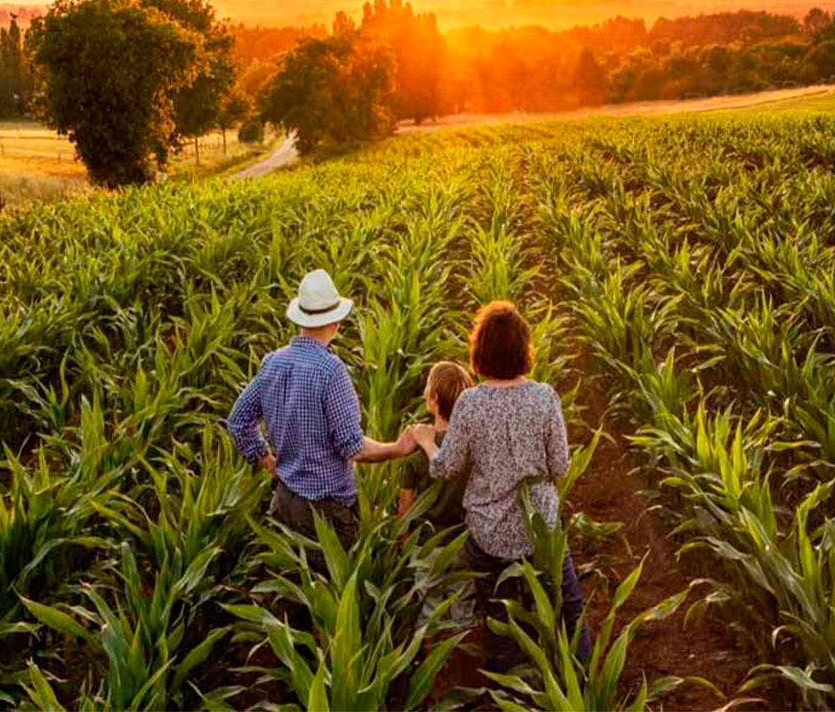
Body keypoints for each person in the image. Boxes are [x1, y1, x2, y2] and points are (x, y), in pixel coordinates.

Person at [411, 301, 592, 673]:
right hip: (540, 530)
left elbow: (446, 468)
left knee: (498, 618)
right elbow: (560, 465)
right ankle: (582, 683)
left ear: (480, 353)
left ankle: (507, 688)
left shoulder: (471, 403)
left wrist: (428, 442)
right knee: (569, 607)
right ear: (524, 349)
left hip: (489, 535)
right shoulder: (544, 397)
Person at [228, 269, 415, 550]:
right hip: (326, 513)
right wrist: (397, 448)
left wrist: (268, 461)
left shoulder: (272, 362)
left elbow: (237, 421)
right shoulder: (331, 371)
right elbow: (353, 447)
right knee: (332, 588)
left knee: (293, 585)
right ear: (336, 322)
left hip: (284, 501)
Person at [398, 361, 476, 627]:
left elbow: (405, 510)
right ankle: (460, 659)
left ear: (432, 399)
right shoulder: (471, 448)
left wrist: (406, 546)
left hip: (427, 546)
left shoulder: (416, 456)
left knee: (428, 609)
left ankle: (433, 663)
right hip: (464, 542)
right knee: (463, 605)